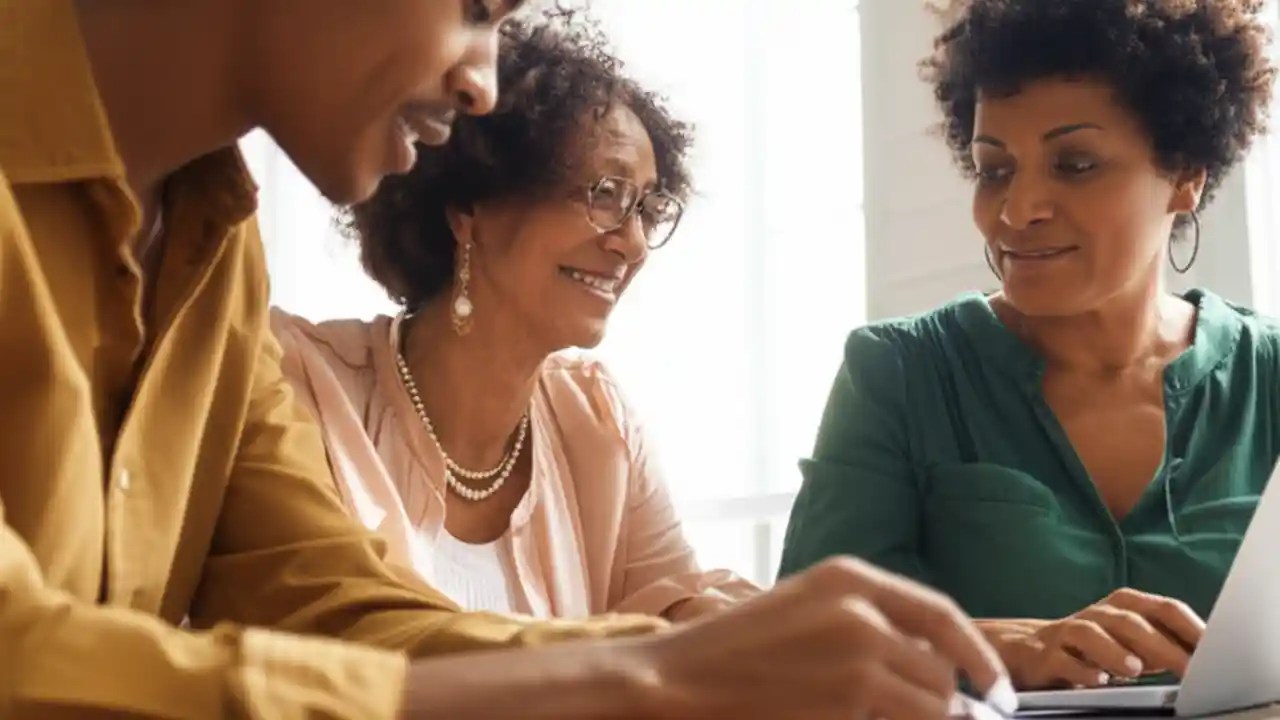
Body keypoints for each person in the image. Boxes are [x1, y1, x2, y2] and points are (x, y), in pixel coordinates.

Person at [0, 1, 1011, 718]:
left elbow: (330, 608)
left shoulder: (216, 252)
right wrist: (649, 680)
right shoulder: (300, 356)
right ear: (468, 217)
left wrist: (714, 666)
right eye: (475, 6)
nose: (480, 84)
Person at [778, 0, 1278, 692]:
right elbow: (799, 647)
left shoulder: (1270, 376)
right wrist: (1004, 647)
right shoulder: (898, 373)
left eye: (1075, 164)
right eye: (994, 169)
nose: (1016, 211)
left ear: (1186, 174)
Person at [271, 16, 757, 621]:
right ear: (470, 206)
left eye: (648, 208)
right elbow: (342, 644)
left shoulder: (600, 425)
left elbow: (684, 615)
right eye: (605, 194)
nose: (632, 243)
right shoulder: (303, 387)